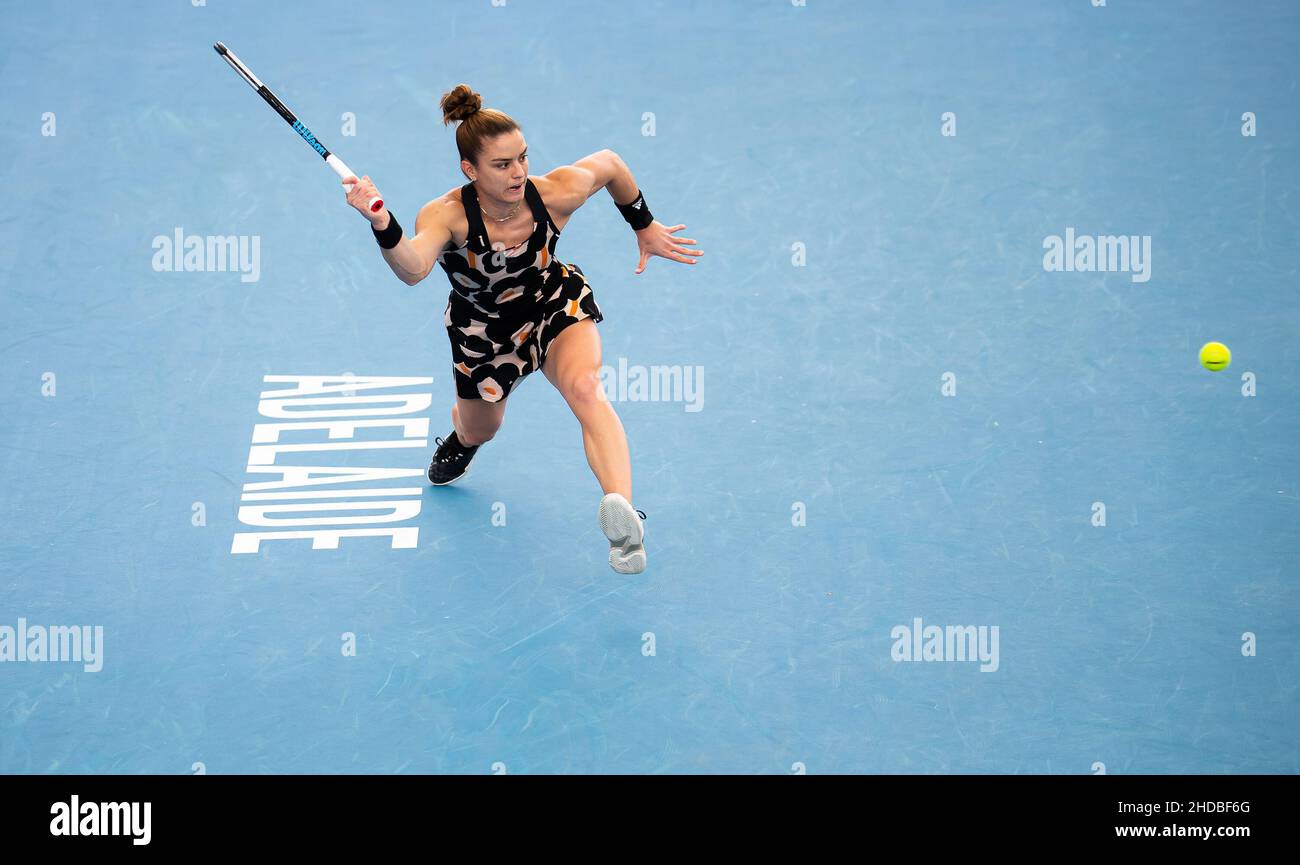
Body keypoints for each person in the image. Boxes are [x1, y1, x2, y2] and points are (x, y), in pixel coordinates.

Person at [341, 84, 702, 574]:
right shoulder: (447, 215)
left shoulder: (554, 193)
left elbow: (612, 164)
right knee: (481, 427)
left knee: (586, 388)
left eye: (522, 158)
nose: (518, 173)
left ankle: (625, 518)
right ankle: (462, 442)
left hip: (553, 305)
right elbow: (412, 268)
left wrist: (644, 224)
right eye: (503, 164)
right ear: (470, 169)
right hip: (483, 333)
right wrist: (381, 221)